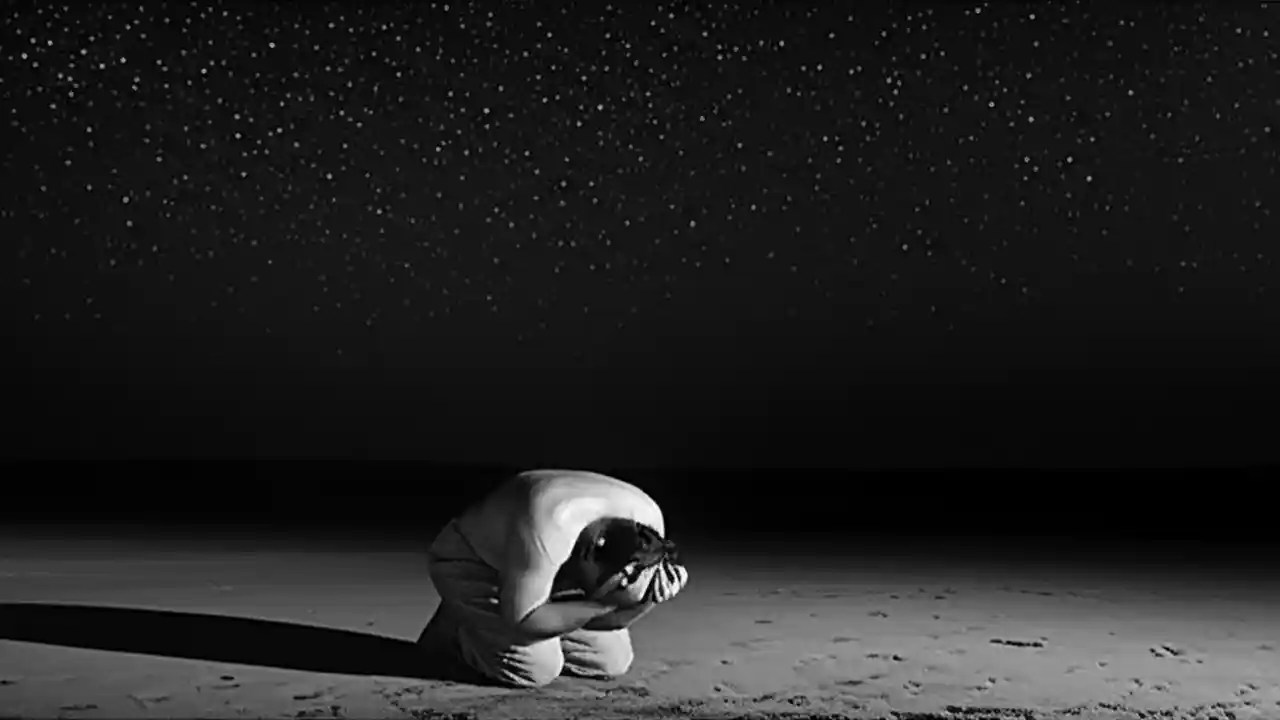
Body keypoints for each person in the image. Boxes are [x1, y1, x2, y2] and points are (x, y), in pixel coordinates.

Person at [416, 469, 689, 688]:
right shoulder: (548, 527)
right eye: (601, 587)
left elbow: (608, 622)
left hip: (540, 573)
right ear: (591, 551)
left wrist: (648, 600)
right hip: (475, 562)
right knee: (537, 668)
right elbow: (524, 620)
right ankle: (457, 628)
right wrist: (604, 605)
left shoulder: (649, 524)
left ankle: (492, 622)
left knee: (611, 660)